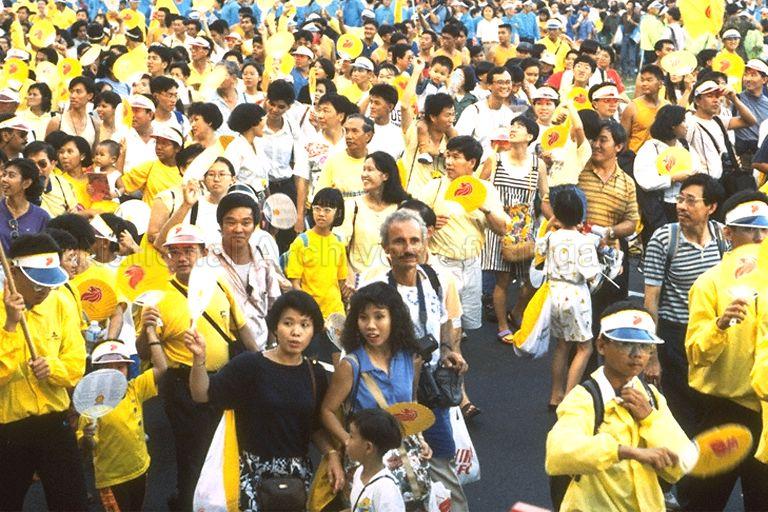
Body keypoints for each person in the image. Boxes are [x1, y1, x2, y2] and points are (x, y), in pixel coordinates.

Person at [135, 223, 257, 511]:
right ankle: (187, 501)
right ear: (166, 258)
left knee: (225, 447)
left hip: (222, 381)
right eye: (174, 252)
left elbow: (242, 329)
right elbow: (144, 351)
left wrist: (263, 361)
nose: (182, 257)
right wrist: (146, 329)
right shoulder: (158, 298)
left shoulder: (218, 284)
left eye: (189, 250)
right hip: (182, 386)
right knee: (192, 452)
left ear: (203, 252)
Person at [186, 290, 345, 511]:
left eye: (304, 325)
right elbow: (202, 395)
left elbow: (315, 427)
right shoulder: (249, 365)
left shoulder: (314, 373)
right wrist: (199, 361)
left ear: (313, 332)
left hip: (297, 478)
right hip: (251, 475)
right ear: (275, 327)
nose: (296, 332)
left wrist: (332, 454)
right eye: (288, 323)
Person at [546, 301, 690, 512]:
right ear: (601, 346)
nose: (637, 354)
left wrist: (651, 419)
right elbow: (558, 454)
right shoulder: (583, 399)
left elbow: (680, 464)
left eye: (645, 346)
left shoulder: (652, 399)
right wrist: (624, 452)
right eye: (625, 343)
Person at [374, 208, 470, 510]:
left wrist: (448, 350)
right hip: (391, 396)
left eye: (415, 241)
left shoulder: (433, 278)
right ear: (386, 248)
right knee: (396, 476)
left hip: (429, 393)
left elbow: (443, 320)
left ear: (425, 243)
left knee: (441, 464)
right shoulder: (375, 288)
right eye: (399, 242)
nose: (408, 248)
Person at [679, 191, 768, 511]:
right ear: (727, 233)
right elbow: (695, 352)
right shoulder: (709, 284)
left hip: (765, 411)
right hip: (724, 411)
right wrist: (719, 325)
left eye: (765, 229)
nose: (759, 238)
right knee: (704, 501)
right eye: (749, 229)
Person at [320, 282, 431, 510]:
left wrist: (420, 438)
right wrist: (348, 441)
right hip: (369, 460)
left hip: (407, 458)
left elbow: (410, 403)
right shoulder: (351, 365)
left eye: (379, 317)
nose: (371, 326)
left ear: (394, 318)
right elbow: (327, 411)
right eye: (363, 318)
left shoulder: (410, 358)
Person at [0, 233, 87, 511]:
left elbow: (76, 366)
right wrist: (11, 326)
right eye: (37, 281)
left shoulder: (61, 303)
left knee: (71, 503)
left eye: (49, 282)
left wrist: (54, 369)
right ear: (12, 273)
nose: (44, 290)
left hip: (55, 423)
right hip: (8, 429)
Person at [642, 174, 726, 434]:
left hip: (712, 337)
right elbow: (650, 300)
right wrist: (652, 357)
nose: (681, 206)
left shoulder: (725, 237)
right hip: (675, 338)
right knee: (682, 416)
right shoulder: (665, 239)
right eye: (680, 199)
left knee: (711, 410)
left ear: (710, 207)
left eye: (691, 201)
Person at [416, 136, 510, 331]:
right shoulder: (434, 187)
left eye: (456, 157)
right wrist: (428, 223)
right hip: (441, 264)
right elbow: (411, 222)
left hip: (472, 265)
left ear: (472, 162)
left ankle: (453, 350)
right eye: (447, 156)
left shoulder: (485, 190)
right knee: (447, 321)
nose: (448, 162)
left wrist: (484, 208)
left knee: (467, 323)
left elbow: (502, 229)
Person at [79, 338, 167, 512]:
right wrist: (88, 438)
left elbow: (161, 368)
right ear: (96, 371)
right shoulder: (91, 407)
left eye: (120, 367)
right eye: (107, 368)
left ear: (127, 369)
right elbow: (86, 446)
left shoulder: (134, 388)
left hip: (140, 469)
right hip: (112, 479)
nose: (115, 372)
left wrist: (151, 333)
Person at [481, 116, 548, 343]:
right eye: (512, 126)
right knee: (502, 278)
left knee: (533, 278)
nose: (513, 129)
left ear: (530, 136)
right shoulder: (495, 160)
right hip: (499, 226)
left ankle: (517, 311)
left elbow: (545, 197)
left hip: (525, 227)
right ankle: (502, 325)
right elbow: (480, 187)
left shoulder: (538, 165)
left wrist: (555, 219)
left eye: (519, 127)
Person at [541, 187, 600, 409]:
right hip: (576, 295)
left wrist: (550, 222)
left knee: (562, 346)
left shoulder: (551, 237)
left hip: (554, 293)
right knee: (585, 347)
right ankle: (569, 395)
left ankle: (555, 394)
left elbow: (539, 252)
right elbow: (591, 273)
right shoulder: (584, 241)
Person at [211, 187, 283, 351]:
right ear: (221, 225)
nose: (238, 229)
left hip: (260, 349)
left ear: (254, 225)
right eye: (231, 222)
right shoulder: (207, 261)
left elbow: (274, 307)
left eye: (246, 223)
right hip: (221, 351)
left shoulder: (264, 262)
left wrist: (272, 346)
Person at [337, 151, 410, 288]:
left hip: (393, 283)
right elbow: (339, 245)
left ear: (385, 176)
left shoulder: (400, 208)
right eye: (363, 169)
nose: (364, 174)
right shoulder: (353, 206)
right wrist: (348, 275)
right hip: (359, 282)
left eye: (370, 170)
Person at [633, 105, 701, 240]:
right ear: (672, 126)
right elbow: (645, 181)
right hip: (661, 207)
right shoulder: (651, 148)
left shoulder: (684, 145)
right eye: (682, 122)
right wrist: (673, 178)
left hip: (685, 204)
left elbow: (696, 167)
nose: (686, 125)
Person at [286, 187, 349, 319]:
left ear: (338, 213)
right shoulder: (302, 242)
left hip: (335, 313)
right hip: (310, 313)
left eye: (327, 210)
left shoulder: (338, 243)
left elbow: (341, 282)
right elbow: (295, 284)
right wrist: (309, 308)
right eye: (317, 208)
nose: (321, 214)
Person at [685, 79, 757, 181]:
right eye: (709, 96)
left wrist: (734, 99)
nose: (715, 100)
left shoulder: (718, 120)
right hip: (702, 182)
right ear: (697, 101)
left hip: (723, 180)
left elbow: (750, 121)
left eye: (717, 96)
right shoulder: (690, 122)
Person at [347, 409, 405, 512]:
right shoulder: (359, 472)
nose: (347, 442)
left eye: (351, 437)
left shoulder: (386, 490)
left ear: (368, 447)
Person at [317, 114, 373, 199]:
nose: (349, 136)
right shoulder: (333, 161)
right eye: (347, 131)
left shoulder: (376, 162)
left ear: (368, 136)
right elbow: (321, 196)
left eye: (355, 131)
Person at [0, 158, 49, 251]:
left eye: (11, 176)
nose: (4, 179)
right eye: (4, 174)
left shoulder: (41, 217)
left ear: (26, 183)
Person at [620, 64, 667, 154]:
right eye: (642, 80)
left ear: (660, 83)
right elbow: (623, 138)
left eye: (649, 80)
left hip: (661, 160)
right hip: (635, 159)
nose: (644, 84)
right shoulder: (632, 108)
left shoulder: (666, 107)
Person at [23, 141, 77, 218]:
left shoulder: (63, 184)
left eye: (42, 164)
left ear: (53, 164)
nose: (37, 168)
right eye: (31, 164)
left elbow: (73, 209)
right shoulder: (18, 185)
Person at [46, 76, 100, 150]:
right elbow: (46, 151)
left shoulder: (95, 124)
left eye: (78, 92)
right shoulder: (57, 121)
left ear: (90, 96)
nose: (73, 96)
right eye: (71, 92)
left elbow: (94, 154)